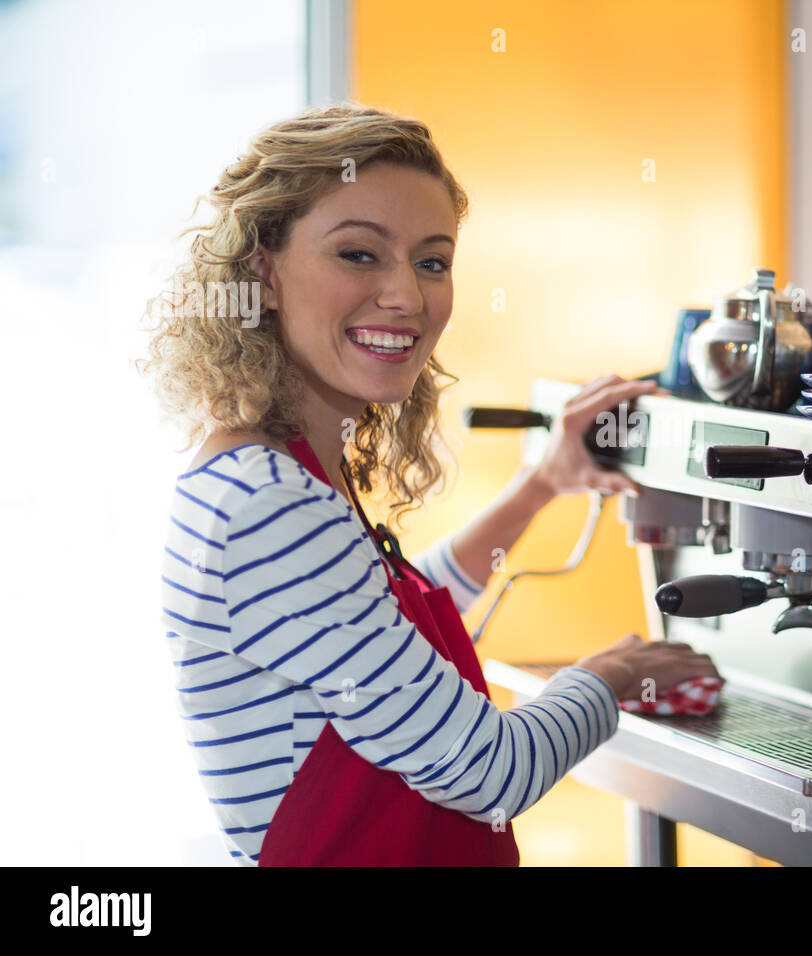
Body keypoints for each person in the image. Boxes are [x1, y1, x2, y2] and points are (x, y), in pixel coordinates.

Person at [137, 102, 720, 866]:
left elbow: (386, 629)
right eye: (358, 254)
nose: (407, 296)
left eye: (432, 261)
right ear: (262, 273)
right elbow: (490, 771)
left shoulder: (268, 472)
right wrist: (608, 680)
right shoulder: (267, 506)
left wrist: (542, 483)